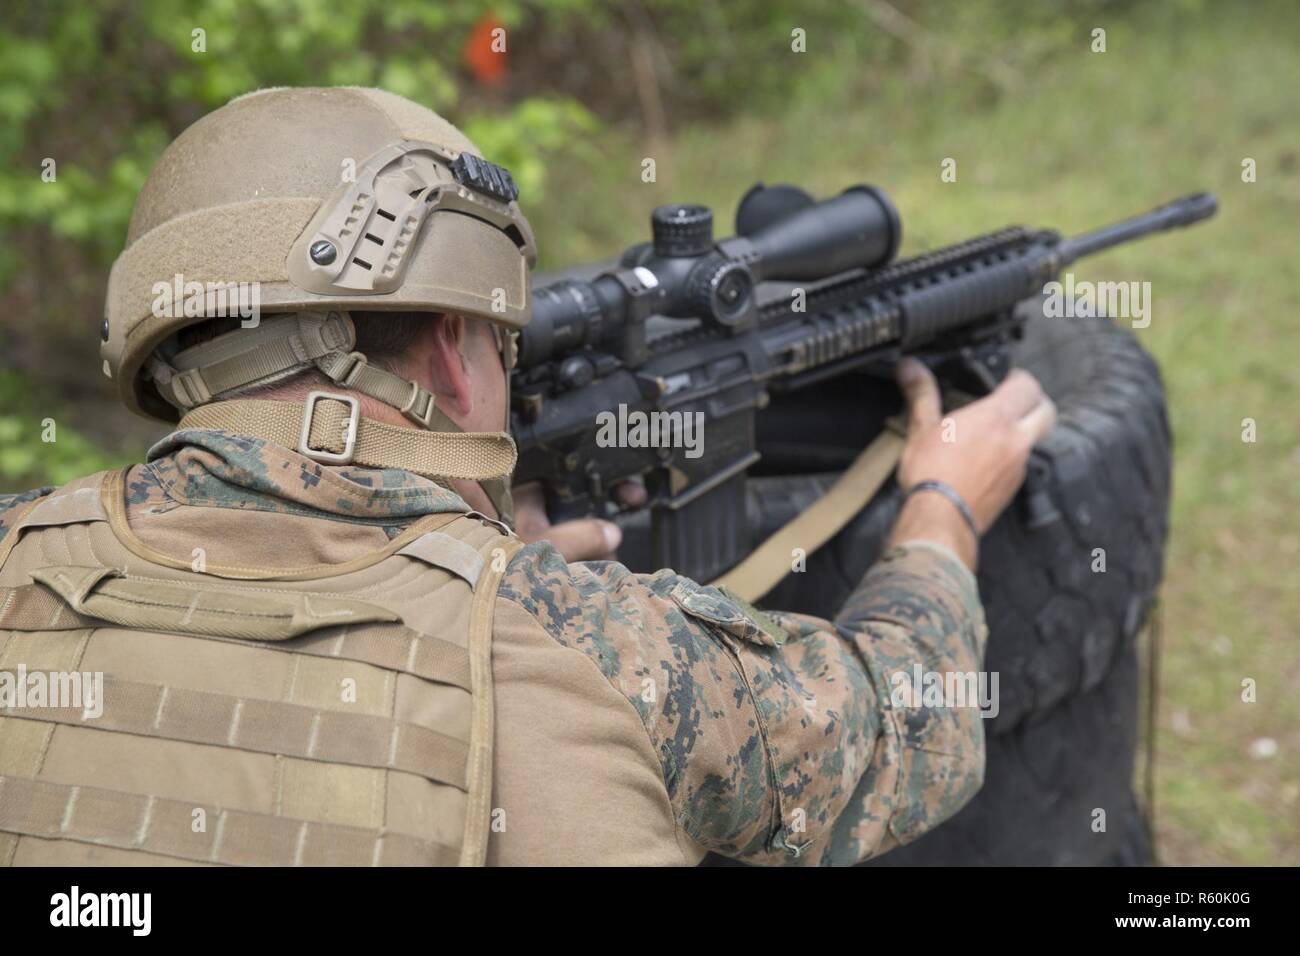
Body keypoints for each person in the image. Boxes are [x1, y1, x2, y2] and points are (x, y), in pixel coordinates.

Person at [0, 87, 1055, 866]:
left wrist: (483, 579)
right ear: (457, 344)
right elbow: (900, 723)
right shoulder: (588, 641)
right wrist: (943, 502)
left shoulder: (17, 554)